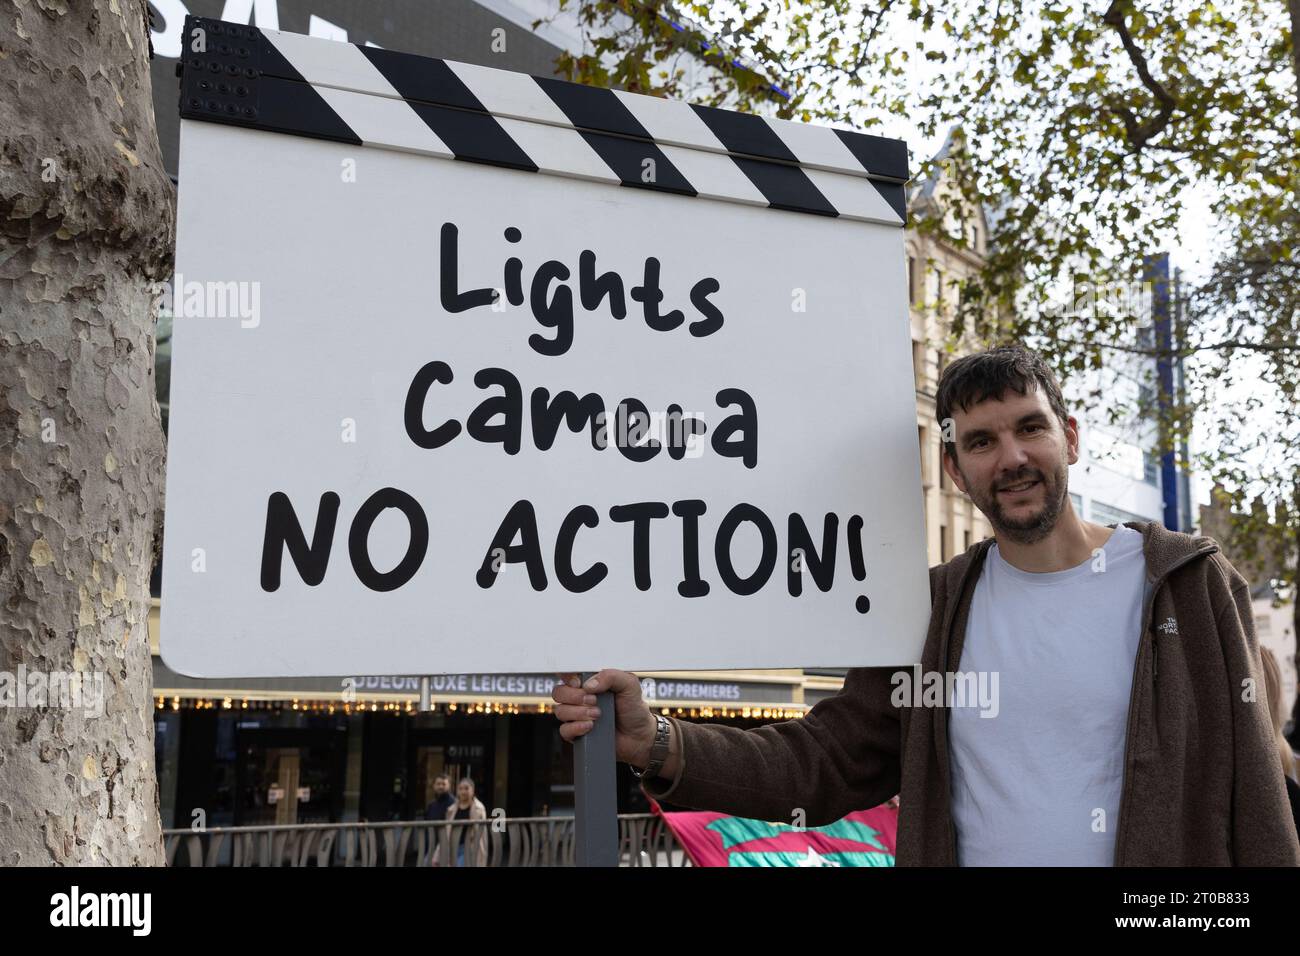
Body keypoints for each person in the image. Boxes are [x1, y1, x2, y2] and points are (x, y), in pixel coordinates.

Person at [553, 344, 1300, 866]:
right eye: (980, 441)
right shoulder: (931, 613)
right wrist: (657, 742)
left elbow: (1257, 800)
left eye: (1030, 428)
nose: (1010, 458)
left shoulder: (1188, 585)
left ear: (1069, 438)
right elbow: (826, 762)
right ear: (952, 468)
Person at [436, 777, 489, 867]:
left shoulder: (478, 809)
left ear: (473, 790)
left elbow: (480, 834)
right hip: (452, 847)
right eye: (460, 789)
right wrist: (437, 854)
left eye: (466, 788)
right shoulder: (452, 809)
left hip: (469, 847)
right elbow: (447, 832)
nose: (463, 792)